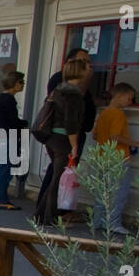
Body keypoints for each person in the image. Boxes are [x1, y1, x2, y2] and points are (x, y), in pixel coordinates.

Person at [34, 57, 91, 226]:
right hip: (63, 139)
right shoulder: (73, 94)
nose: (89, 70)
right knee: (58, 180)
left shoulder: (58, 90)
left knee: (56, 177)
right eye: (86, 67)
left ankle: (41, 214)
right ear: (79, 71)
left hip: (51, 136)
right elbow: (71, 123)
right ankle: (49, 217)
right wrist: (74, 145)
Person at [92, 82, 139, 235]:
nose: (130, 102)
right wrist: (138, 143)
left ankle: (97, 221)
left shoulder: (103, 113)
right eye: (129, 98)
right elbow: (115, 136)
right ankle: (113, 223)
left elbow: (95, 134)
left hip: (102, 156)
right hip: (118, 158)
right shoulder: (118, 114)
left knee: (103, 192)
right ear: (119, 96)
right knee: (119, 192)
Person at [47, 47, 96, 159]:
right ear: (70, 62)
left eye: (89, 62)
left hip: (76, 131)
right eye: (83, 62)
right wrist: (74, 145)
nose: (87, 66)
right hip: (64, 134)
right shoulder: (62, 81)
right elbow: (70, 114)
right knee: (62, 171)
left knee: (62, 170)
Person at [0, 70, 26, 211]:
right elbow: (13, 121)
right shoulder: (9, 99)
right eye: (21, 82)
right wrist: (24, 123)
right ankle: (1, 199)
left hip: (0, 135)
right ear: (13, 83)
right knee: (5, 169)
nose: (23, 85)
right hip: (9, 136)